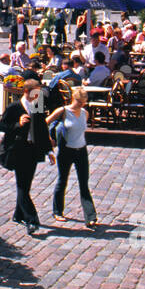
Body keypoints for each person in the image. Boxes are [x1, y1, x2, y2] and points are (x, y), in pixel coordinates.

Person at [0, 77, 55, 236]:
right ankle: (32, 220)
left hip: (33, 150)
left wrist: (49, 151)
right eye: (36, 93)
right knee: (22, 186)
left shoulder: (38, 105)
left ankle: (18, 214)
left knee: (26, 185)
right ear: (26, 92)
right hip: (18, 150)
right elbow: (2, 126)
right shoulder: (15, 107)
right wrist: (18, 124)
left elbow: (42, 128)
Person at [47, 86, 98, 226]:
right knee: (62, 181)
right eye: (80, 102)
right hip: (66, 151)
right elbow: (45, 122)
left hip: (81, 150)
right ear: (73, 99)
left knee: (84, 183)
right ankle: (57, 211)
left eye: (84, 102)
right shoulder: (63, 111)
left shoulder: (85, 113)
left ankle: (90, 216)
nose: (82, 105)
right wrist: (49, 141)